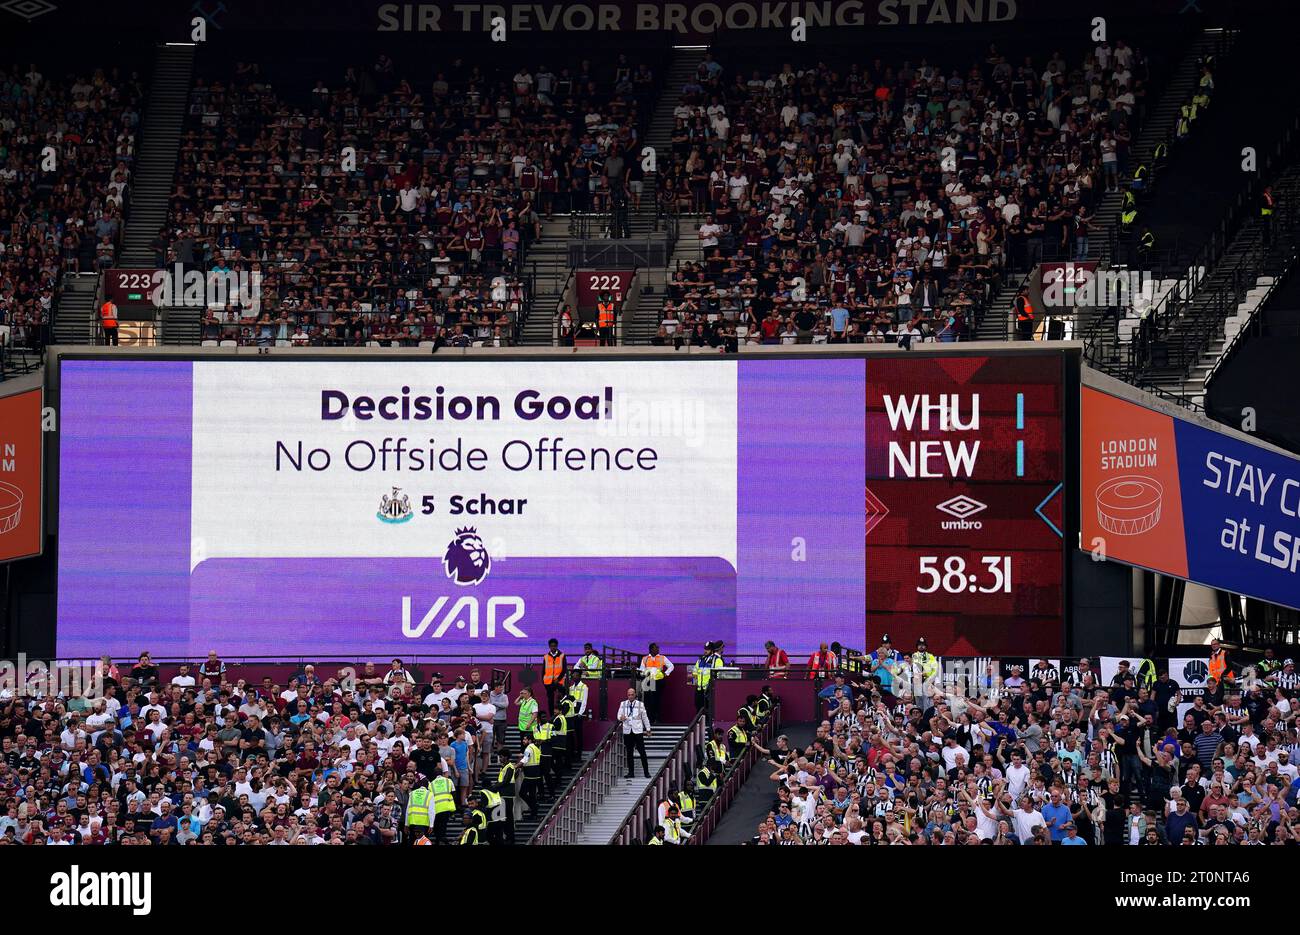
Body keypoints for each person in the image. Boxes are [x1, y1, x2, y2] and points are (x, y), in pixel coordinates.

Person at [618, 686, 652, 779]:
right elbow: (618, 715)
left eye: (632, 694)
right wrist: (621, 718)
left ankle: (646, 772)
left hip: (637, 731)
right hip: (627, 730)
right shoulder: (623, 704)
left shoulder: (640, 704)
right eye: (629, 695)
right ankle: (631, 772)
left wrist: (648, 729)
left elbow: (645, 718)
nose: (630, 696)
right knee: (629, 752)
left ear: (635, 695)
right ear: (627, 695)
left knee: (642, 752)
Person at [638, 643, 674, 721]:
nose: (658, 649)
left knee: (657, 700)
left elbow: (671, 666)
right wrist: (644, 673)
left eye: (658, 648)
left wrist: (666, 673)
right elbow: (641, 670)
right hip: (648, 682)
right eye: (656, 648)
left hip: (658, 681)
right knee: (648, 700)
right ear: (651, 649)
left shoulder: (662, 657)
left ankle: (657, 719)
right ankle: (649, 719)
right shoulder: (645, 659)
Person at [693, 642, 725, 710]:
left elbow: (719, 675)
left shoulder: (717, 660)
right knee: (698, 709)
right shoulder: (700, 660)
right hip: (699, 690)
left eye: (707, 649)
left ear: (712, 650)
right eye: (705, 649)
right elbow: (695, 672)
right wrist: (697, 682)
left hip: (709, 691)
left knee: (709, 711)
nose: (705, 651)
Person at [542, 639, 568, 716]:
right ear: (549, 646)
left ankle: (562, 715)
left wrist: (558, 679)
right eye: (551, 646)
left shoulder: (562, 655)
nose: (553, 647)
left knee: (562, 699)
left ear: (557, 646)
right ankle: (551, 717)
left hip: (559, 682)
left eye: (554, 646)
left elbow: (564, 669)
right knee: (550, 701)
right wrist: (543, 681)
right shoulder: (546, 656)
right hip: (548, 682)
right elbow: (543, 670)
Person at [430, 771, 456, 844]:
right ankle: (442, 838)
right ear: (442, 774)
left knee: (437, 824)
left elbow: (430, 798)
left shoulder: (431, 784)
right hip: (447, 806)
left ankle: (438, 839)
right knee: (443, 824)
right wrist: (453, 810)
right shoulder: (449, 781)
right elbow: (454, 793)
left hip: (437, 808)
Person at [519, 736, 542, 817]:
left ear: (530, 740)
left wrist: (516, 766)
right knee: (532, 794)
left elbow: (525, 760)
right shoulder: (536, 748)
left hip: (529, 775)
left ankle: (534, 807)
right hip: (536, 774)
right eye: (523, 739)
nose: (523, 741)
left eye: (525, 739)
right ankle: (534, 813)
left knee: (522, 793)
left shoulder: (528, 748)